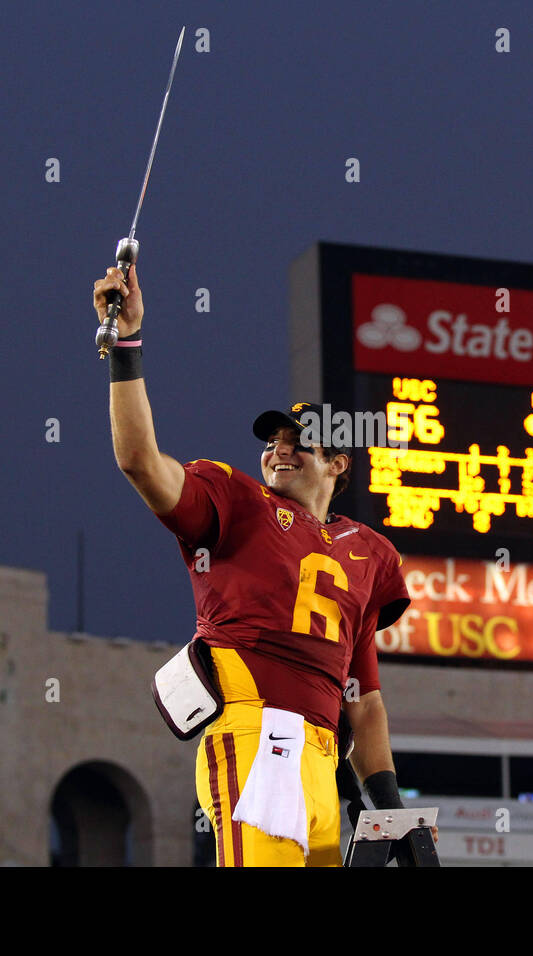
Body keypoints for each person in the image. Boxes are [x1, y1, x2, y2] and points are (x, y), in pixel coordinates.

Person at [94, 263, 415, 867]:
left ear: (339, 463)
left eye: (299, 439)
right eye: (273, 440)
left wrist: (389, 805)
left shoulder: (367, 552)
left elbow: (363, 699)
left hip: (325, 763)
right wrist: (126, 347)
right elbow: (139, 461)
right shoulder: (237, 501)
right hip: (258, 738)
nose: (279, 449)